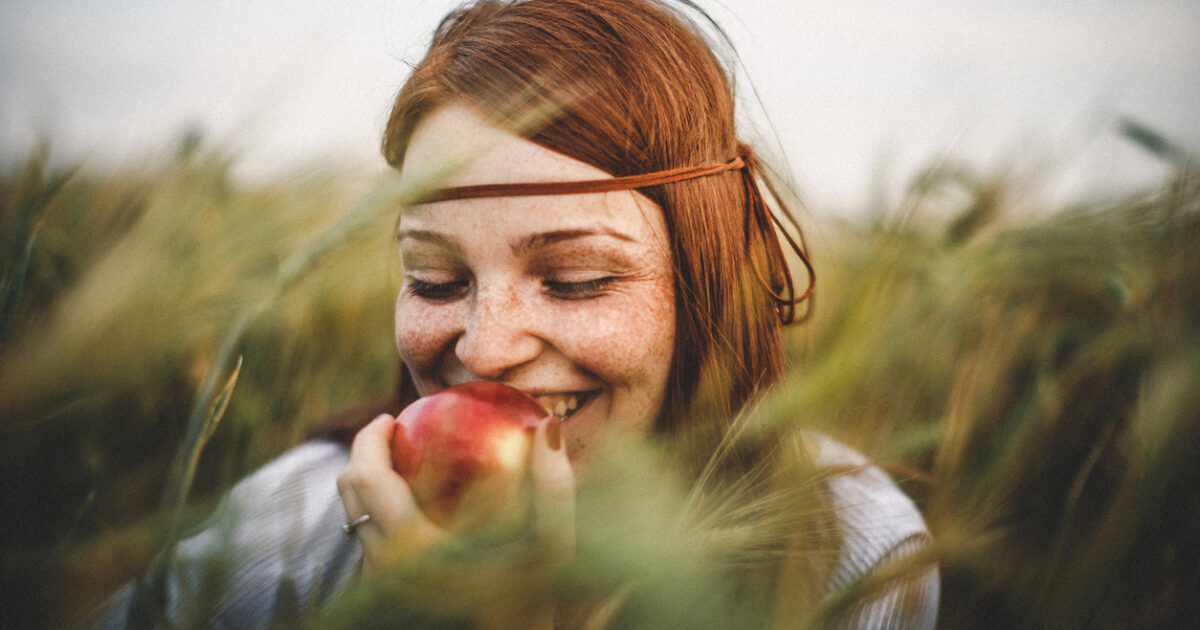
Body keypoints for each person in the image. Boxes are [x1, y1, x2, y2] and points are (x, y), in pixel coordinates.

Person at [96, 1, 938, 628]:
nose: (488, 348)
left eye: (573, 280)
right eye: (432, 278)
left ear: (705, 283)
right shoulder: (284, 534)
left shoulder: (844, 550)